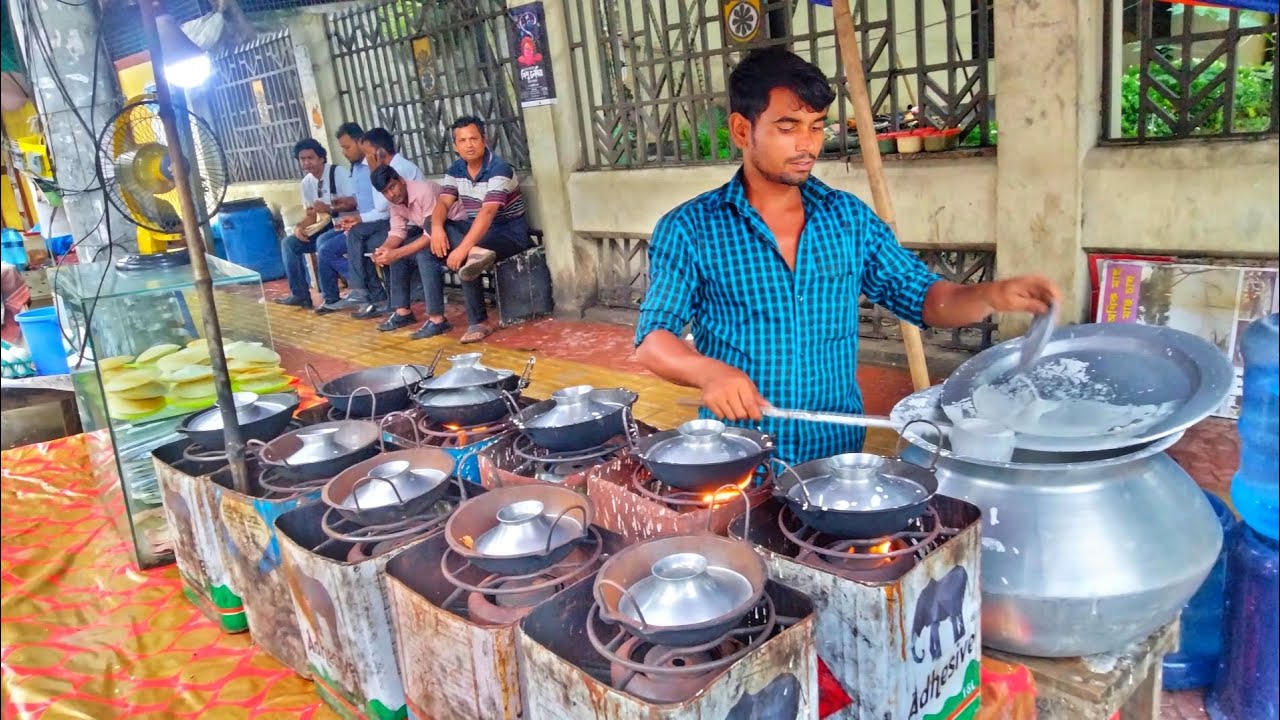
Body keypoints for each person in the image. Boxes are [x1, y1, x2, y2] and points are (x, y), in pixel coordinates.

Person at [634, 47, 1059, 466]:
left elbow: (927, 298)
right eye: (788, 127)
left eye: (817, 127)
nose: (808, 145)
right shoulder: (690, 228)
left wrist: (992, 295)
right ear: (743, 130)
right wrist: (710, 374)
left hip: (836, 459)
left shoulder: (848, 219)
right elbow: (654, 340)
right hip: (741, 457)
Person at [426, 116, 534, 343]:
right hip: (478, 232)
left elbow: (487, 213)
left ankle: (479, 322)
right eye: (462, 140)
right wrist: (436, 228)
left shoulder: (499, 168)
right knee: (429, 229)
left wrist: (462, 249)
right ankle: (438, 316)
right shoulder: (455, 170)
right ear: (455, 146)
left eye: (474, 138)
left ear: (484, 140)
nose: (469, 144)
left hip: (508, 234)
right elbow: (444, 203)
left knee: (466, 256)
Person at [334, 127, 423, 320]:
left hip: (413, 226)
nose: (367, 159)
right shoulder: (386, 167)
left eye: (368, 154)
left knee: (361, 237)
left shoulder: (398, 168)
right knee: (361, 240)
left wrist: (374, 170)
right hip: (397, 222)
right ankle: (377, 298)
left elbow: (382, 205)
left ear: (379, 153)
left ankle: (365, 291)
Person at [369, 165, 469, 335]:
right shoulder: (395, 202)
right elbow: (397, 232)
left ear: (400, 180)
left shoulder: (423, 191)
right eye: (385, 192)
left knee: (423, 254)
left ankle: (438, 320)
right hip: (437, 233)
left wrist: (396, 253)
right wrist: (385, 250)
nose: (391, 195)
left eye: (392, 187)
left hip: (459, 230)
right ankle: (403, 312)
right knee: (398, 252)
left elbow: (431, 234)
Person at [276, 139, 353, 309]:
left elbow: (354, 203)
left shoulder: (338, 173)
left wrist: (328, 207)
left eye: (310, 158)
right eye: (302, 159)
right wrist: (300, 227)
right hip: (326, 224)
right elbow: (311, 215)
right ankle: (300, 294)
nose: (306, 162)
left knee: (323, 242)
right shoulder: (307, 183)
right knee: (289, 243)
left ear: (321, 158)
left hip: (346, 223)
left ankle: (331, 297)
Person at [313, 122, 375, 314]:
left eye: (347, 147)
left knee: (326, 250)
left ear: (360, 142)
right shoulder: (355, 167)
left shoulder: (373, 165)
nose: (344, 152)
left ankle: (364, 288)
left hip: (374, 222)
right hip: (362, 220)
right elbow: (361, 199)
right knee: (322, 240)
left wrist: (355, 219)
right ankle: (331, 298)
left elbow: (381, 204)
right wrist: (341, 205)